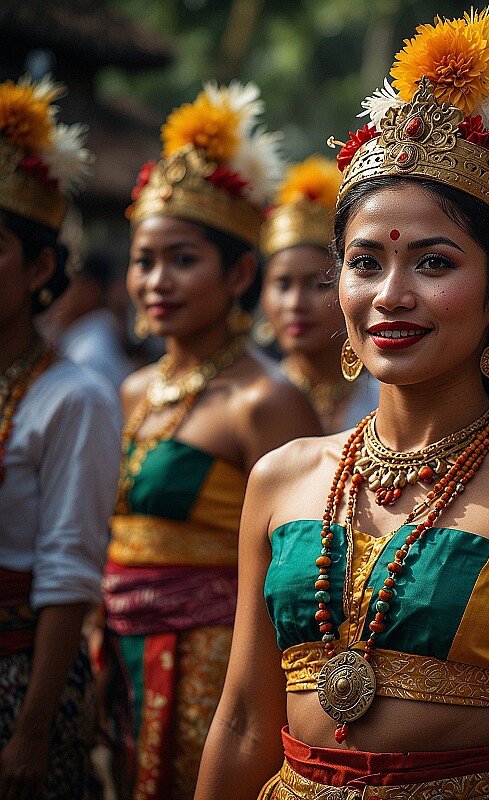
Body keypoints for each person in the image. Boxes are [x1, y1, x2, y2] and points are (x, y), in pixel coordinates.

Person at [197, 8, 489, 800]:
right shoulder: (281, 477)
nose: (391, 296)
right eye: (364, 263)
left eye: (434, 263)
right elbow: (238, 723)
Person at [99, 81, 322, 800]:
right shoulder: (135, 391)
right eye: (144, 260)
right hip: (121, 652)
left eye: (182, 260)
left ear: (240, 275)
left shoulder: (266, 400)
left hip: (215, 669)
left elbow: (306, 572)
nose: (156, 281)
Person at [0, 76, 122, 800]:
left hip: (19, 679)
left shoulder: (73, 395)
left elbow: (68, 570)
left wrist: (32, 728)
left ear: (42, 267)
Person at [261, 155, 379, 433]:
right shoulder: (254, 397)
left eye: (319, 284)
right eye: (282, 284)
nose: (295, 304)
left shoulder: (387, 397)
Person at [45, 250, 134, 391]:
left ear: (91, 290)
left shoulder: (89, 354)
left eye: (67, 284)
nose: (58, 293)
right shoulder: (86, 343)